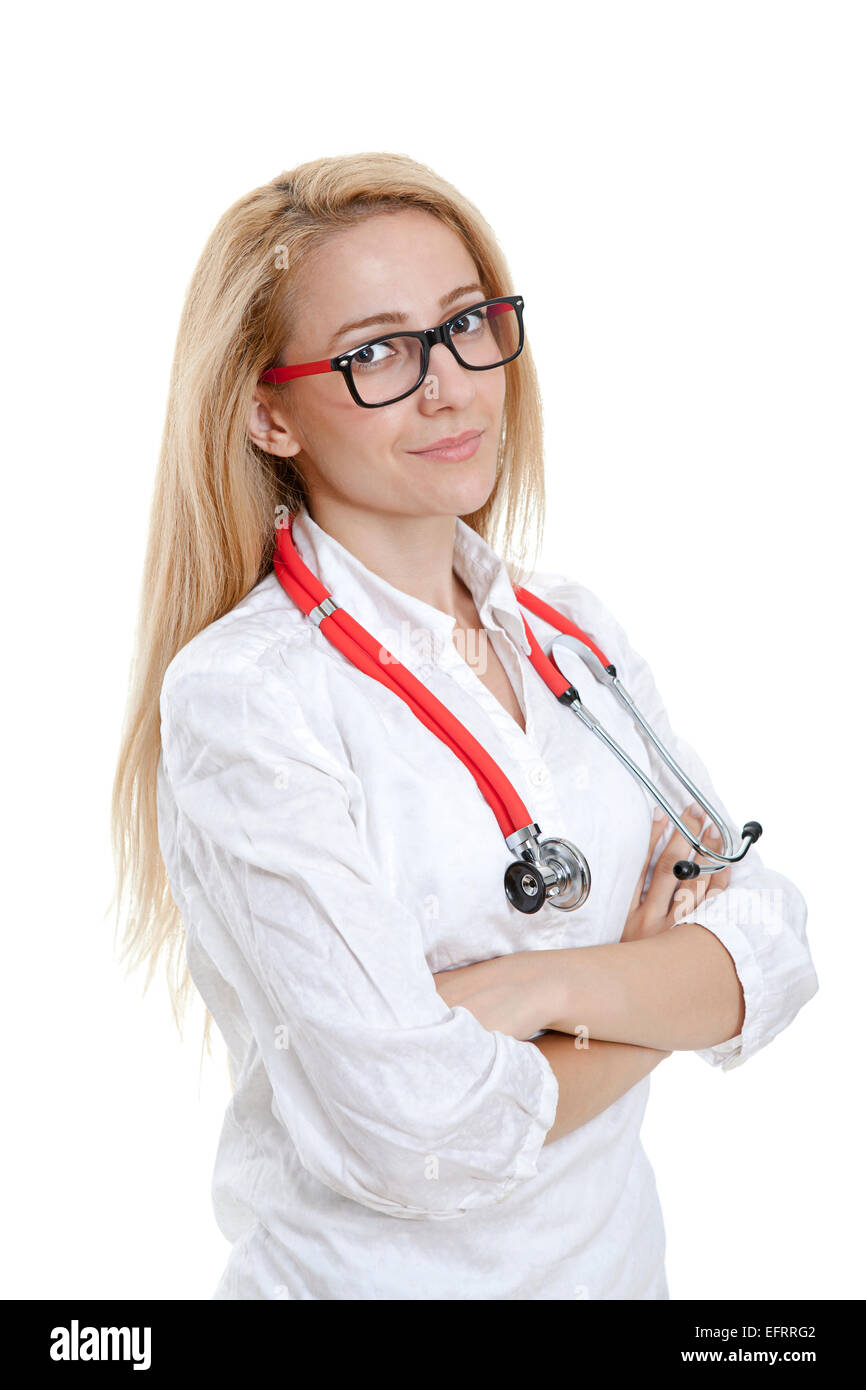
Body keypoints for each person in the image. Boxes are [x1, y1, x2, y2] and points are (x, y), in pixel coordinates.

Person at [111, 151, 819, 1300]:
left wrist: (529, 994)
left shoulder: (571, 635)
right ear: (266, 412)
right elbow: (419, 1132)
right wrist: (659, 991)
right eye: (376, 352)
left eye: (464, 325)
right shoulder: (247, 698)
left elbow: (775, 940)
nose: (450, 386)